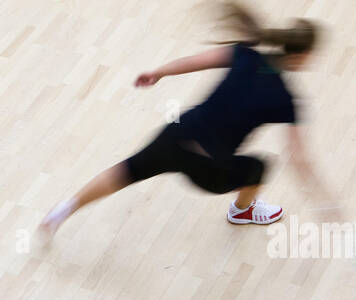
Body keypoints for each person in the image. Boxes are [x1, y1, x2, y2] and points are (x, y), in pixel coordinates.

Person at [40, 2, 337, 239]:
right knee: (258, 167)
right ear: (303, 55)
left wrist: (159, 72)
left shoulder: (244, 54)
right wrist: (323, 201)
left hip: (176, 135)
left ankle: (64, 211)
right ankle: (242, 211)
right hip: (208, 166)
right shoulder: (285, 100)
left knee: (126, 170)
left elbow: (194, 61)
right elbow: (299, 159)